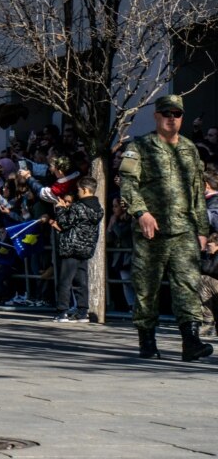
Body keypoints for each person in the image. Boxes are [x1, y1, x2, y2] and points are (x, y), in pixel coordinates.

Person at [119, 94, 212, 362]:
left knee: (187, 285)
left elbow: (196, 192)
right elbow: (127, 184)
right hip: (152, 231)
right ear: (157, 116)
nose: (172, 118)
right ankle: (147, 340)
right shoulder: (140, 147)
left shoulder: (190, 149)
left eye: (177, 114)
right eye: (167, 113)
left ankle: (191, 341)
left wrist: (202, 230)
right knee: (147, 287)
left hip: (184, 229)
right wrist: (141, 213)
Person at [50, 176, 103, 323]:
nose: (77, 192)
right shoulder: (98, 208)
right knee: (81, 280)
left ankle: (62, 312)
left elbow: (65, 223)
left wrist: (60, 209)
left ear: (85, 190)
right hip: (86, 248)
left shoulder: (78, 206)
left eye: (79, 190)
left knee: (65, 280)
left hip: (71, 246)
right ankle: (82, 312)